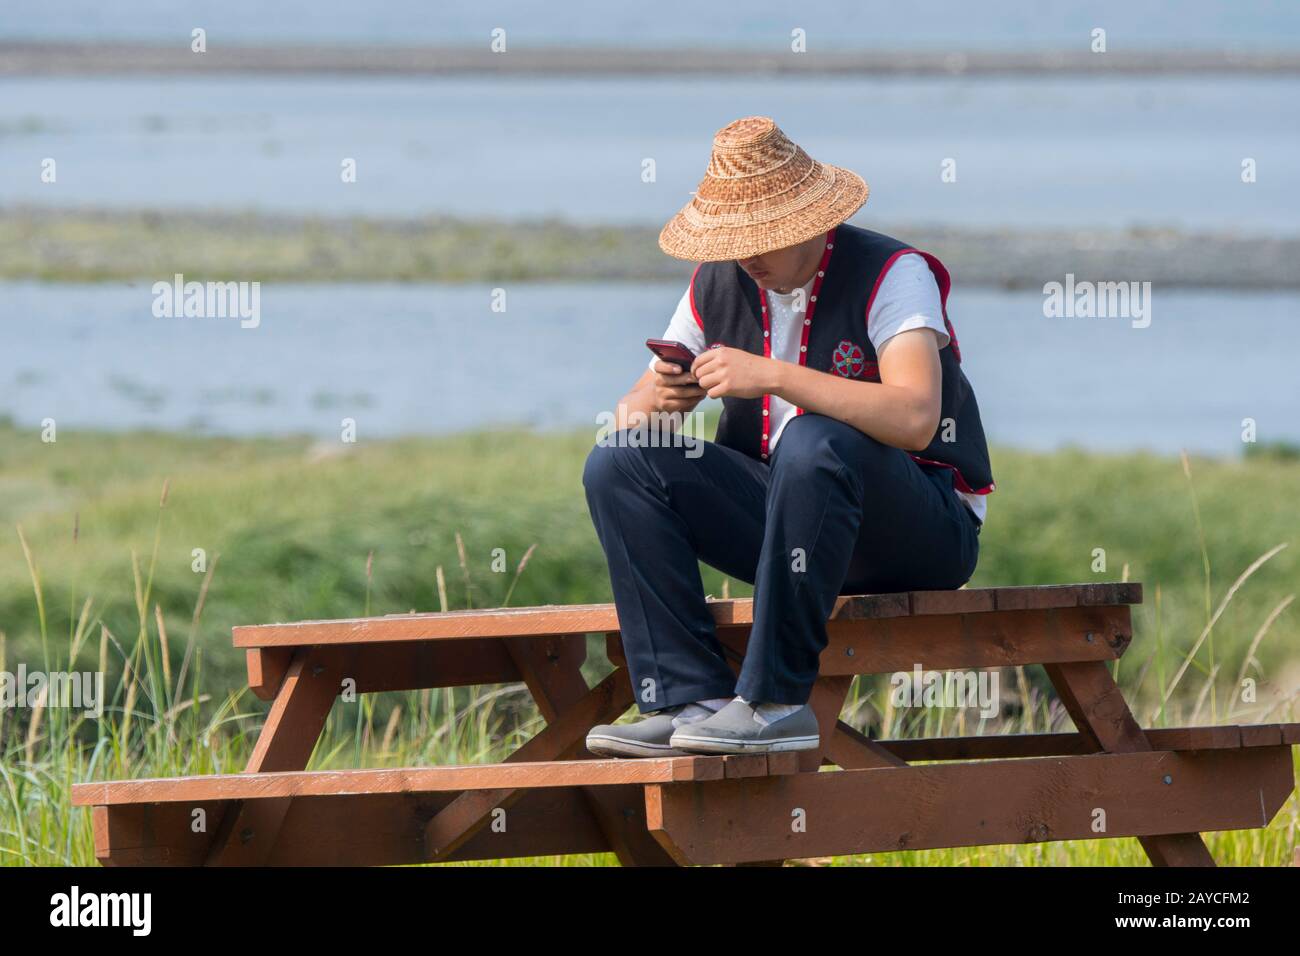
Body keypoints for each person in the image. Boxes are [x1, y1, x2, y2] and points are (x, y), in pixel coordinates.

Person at [583, 116, 994, 757]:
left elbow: (915, 416)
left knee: (813, 442)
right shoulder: (717, 281)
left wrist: (774, 377)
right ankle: (689, 700)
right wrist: (657, 401)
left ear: (807, 222)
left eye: (761, 238)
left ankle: (775, 703)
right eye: (736, 240)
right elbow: (633, 419)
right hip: (790, 533)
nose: (748, 255)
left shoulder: (893, 272)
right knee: (618, 460)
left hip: (919, 536)